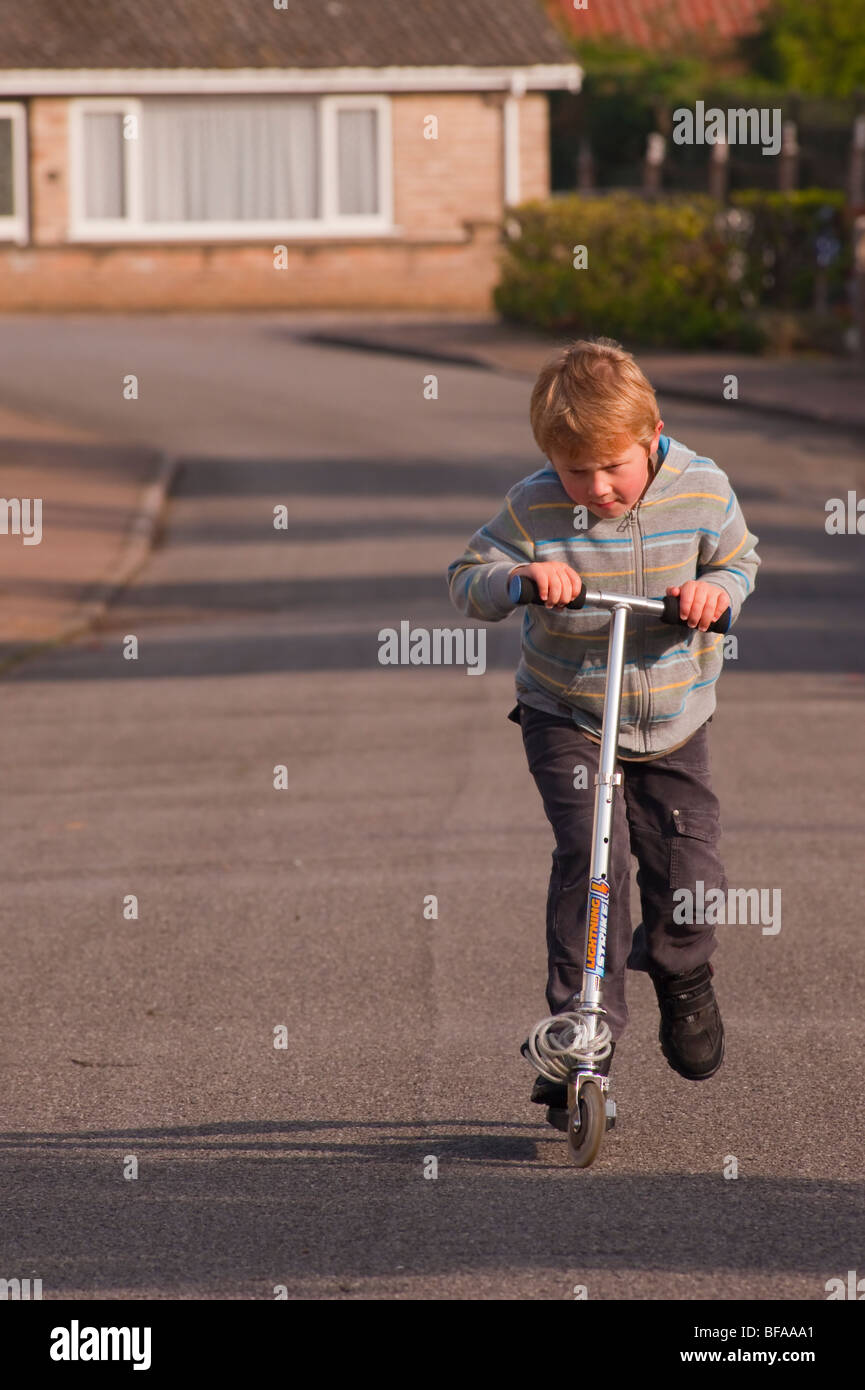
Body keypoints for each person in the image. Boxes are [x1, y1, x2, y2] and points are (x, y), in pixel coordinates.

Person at [446, 337, 761, 1125]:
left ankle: (683, 976)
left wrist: (713, 594)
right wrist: (520, 578)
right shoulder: (534, 505)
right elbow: (465, 580)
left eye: (611, 468)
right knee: (594, 856)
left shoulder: (700, 486)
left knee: (686, 875)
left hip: (672, 716)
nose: (594, 488)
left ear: (651, 435)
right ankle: (580, 1031)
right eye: (573, 470)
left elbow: (739, 561)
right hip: (569, 709)